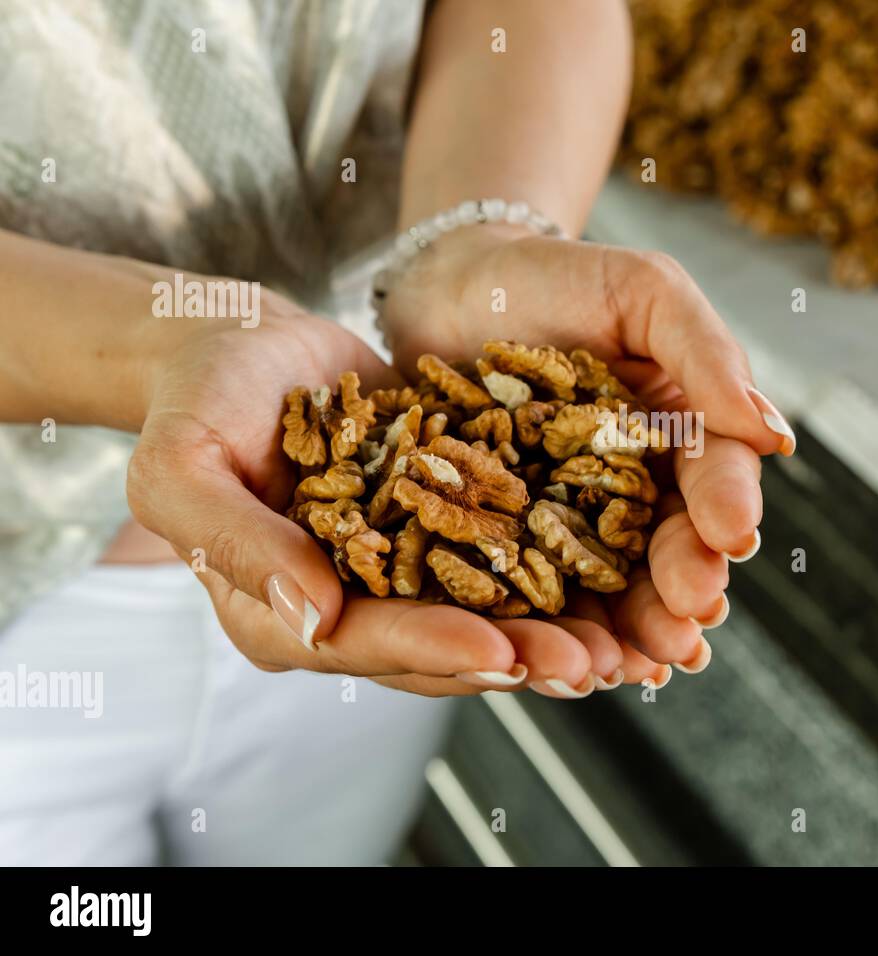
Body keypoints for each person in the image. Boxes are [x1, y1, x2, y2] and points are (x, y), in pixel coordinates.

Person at [0, 0, 794, 865]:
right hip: (27, 615)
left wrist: (477, 242)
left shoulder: (426, 499)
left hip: (356, 614)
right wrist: (161, 349)